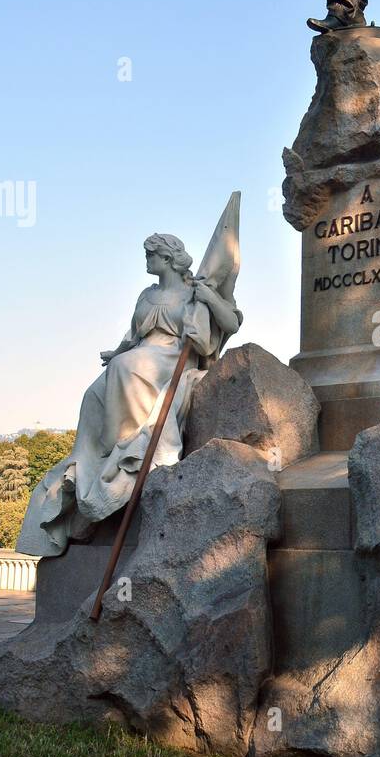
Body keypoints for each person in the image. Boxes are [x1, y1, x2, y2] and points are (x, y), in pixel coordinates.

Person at [17, 233, 242, 556]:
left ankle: (129, 450)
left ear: (166, 259)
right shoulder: (146, 294)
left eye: (151, 255)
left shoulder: (194, 291)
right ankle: (104, 457)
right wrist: (117, 350)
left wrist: (207, 298)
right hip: (139, 354)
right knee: (93, 392)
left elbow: (229, 324)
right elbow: (134, 335)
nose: (147, 261)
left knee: (127, 368)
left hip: (170, 359)